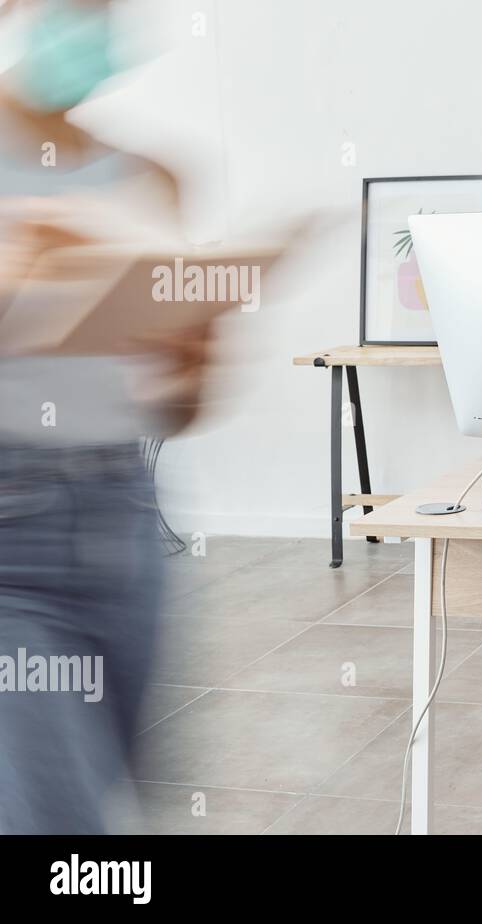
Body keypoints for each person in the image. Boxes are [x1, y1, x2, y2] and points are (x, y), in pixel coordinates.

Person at [0, 0, 213, 833]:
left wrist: (196, 358)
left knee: (106, 796)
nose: (87, 22)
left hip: (122, 522)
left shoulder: (150, 178)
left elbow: (181, 409)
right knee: (56, 819)